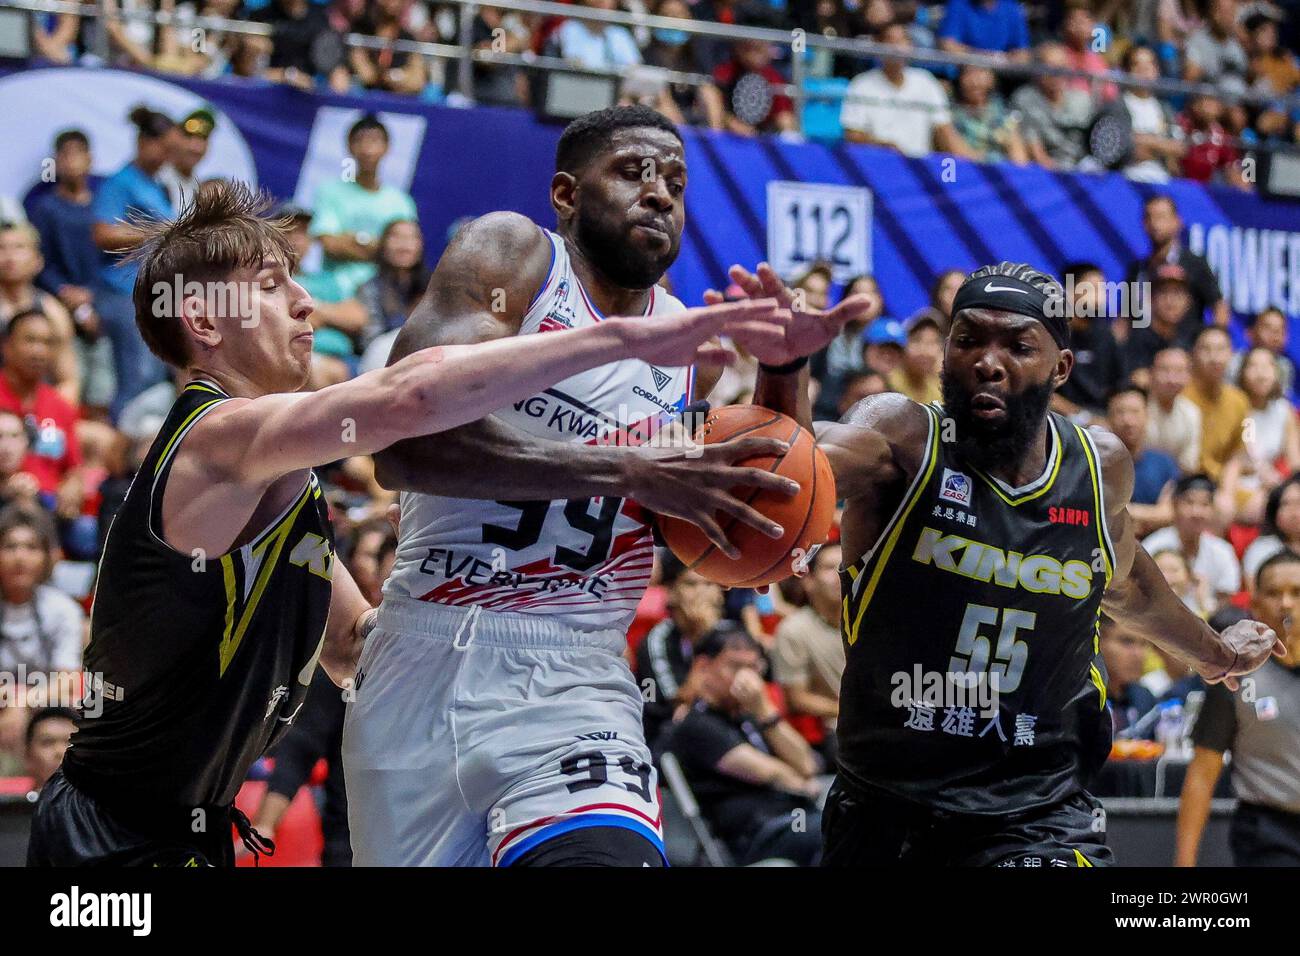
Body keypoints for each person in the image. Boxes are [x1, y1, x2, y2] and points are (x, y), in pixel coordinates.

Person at [26, 176, 792, 867]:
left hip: (189, 833)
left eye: (298, 280)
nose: (305, 302)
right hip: (107, 840)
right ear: (203, 318)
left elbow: (359, 647)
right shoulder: (213, 439)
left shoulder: (281, 480)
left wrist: (505, 649)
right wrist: (625, 339)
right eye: (270, 286)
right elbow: (406, 403)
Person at [344, 105, 876, 867]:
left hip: (577, 674)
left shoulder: (690, 347)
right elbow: (403, 444)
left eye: (676, 181)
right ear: (566, 194)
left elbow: (758, 529)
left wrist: (784, 375)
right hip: (421, 656)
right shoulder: (512, 257)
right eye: (633, 172)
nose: (659, 192)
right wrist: (622, 467)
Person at [742, 259, 1283, 866]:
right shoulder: (901, 439)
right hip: (888, 804)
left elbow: (1130, 586)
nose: (988, 361)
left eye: (1017, 345)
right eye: (968, 339)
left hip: (1037, 812)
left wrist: (1217, 653)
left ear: (1062, 368)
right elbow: (780, 483)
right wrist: (784, 366)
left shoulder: (1096, 467)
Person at [1177, 549, 1300, 866]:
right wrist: (1184, 862)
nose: (1286, 603)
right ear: (1255, 604)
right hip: (1268, 831)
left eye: (1297, 593)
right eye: (1274, 593)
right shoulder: (1234, 677)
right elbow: (1203, 774)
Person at [663, 626, 824, 865]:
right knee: (840, 829)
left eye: (753, 668)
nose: (748, 680)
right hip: (755, 838)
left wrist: (765, 711)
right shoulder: (694, 726)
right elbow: (774, 774)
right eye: (736, 667)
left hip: (794, 822)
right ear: (703, 667)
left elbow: (808, 764)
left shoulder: (752, 715)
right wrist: (801, 784)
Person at [92, 106, 175, 418]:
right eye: (163, 147)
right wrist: (160, 231)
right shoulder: (120, 183)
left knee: (154, 375)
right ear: (143, 143)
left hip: (150, 294)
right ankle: (121, 452)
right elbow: (103, 233)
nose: (167, 156)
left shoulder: (157, 186)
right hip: (121, 292)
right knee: (136, 375)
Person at [309, 115, 419, 301]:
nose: (367, 149)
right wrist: (381, 247)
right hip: (336, 292)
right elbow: (330, 244)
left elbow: (407, 254)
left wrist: (353, 239)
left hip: (386, 296)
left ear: (387, 148)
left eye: (374, 141)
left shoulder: (401, 201)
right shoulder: (329, 192)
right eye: (360, 141)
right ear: (349, 146)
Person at [634, 554, 724, 749]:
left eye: (709, 584)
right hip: (668, 736)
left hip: (721, 727)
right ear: (672, 592)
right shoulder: (656, 640)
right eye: (691, 584)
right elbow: (679, 700)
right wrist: (704, 636)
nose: (702, 593)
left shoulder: (729, 632)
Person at [842, 21, 964, 157]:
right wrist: (884, 146)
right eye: (890, 40)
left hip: (919, 168)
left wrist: (979, 164)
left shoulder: (926, 82)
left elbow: (945, 132)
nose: (896, 47)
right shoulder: (861, 84)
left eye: (901, 40)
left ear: (910, 45)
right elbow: (852, 136)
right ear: (877, 46)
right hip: (875, 165)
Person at [771, 541, 844, 761]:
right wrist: (851, 710)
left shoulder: (875, 622)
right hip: (837, 729)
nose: (840, 574)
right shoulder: (793, 629)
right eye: (830, 568)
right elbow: (796, 698)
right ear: (809, 581)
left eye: (845, 566)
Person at [1125, 195, 1229, 341]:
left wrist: (1213, 341)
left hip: (1184, 351)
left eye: (1161, 217)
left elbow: (1219, 307)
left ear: (1177, 222)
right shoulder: (1137, 269)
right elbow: (1125, 317)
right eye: (1149, 217)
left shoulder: (1194, 263)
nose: (1155, 224)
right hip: (1144, 351)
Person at [0, 223, 81, 407]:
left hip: (38, 407)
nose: (9, 256)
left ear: (38, 261)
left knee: (102, 436)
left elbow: (68, 380)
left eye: (19, 247)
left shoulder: (53, 312)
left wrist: (49, 419)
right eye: (1, 248)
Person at [1220, 346, 1300, 525]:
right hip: (1235, 482)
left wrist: (1285, 485)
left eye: (1268, 366)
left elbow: (1295, 463)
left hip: (1273, 484)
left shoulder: (1284, 410)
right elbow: (1241, 455)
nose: (1261, 373)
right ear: (1241, 373)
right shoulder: (1235, 406)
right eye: (1253, 366)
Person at [1142, 473, 1241, 610]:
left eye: (1205, 504)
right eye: (1189, 503)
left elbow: (1226, 606)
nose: (1197, 512)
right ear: (1175, 505)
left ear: (1213, 509)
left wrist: (1206, 604)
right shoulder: (1152, 547)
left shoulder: (1222, 551)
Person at [1051, 263, 1124, 421]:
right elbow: (1046, 396)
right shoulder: (1053, 336)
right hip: (1062, 421)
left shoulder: (1106, 336)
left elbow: (1118, 386)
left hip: (1104, 420)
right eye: (1092, 289)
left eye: (1102, 289)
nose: (1099, 296)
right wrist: (1083, 417)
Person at [1010, 41, 1095, 170]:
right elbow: (1035, 150)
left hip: (1083, 168)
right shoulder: (1025, 98)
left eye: (1061, 68)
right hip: (1046, 171)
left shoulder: (1082, 99)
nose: (1056, 74)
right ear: (1038, 70)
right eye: (1049, 68)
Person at [1106, 385, 1178, 535]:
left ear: (1147, 416)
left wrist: (1126, 512)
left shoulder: (1165, 463)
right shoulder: (1095, 463)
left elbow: (1168, 513)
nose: (1128, 421)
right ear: (1109, 418)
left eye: (1135, 412)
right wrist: (1149, 515)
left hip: (1155, 543)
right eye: (1120, 412)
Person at [1183, 325, 1250, 483]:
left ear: (1231, 354)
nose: (1214, 358)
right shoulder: (1180, 395)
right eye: (1206, 349)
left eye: (1221, 349)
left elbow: (1238, 453)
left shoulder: (1239, 400)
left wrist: (1227, 489)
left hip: (1221, 481)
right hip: (1185, 480)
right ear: (1193, 354)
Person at [950, 64, 1026, 164]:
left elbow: (1019, 158)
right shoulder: (950, 113)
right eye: (968, 73)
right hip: (963, 168)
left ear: (992, 79)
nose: (975, 82)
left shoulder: (1002, 111)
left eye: (980, 73)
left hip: (999, 172)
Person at [1145, 346, 1201, 474]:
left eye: (1179, 371)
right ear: (1151, 373)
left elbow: (1189, 465)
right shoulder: (1138, 409)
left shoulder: (1191, 413)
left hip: (1175, 483)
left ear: (1189, 376)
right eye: (1164, 370)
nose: (1171, 379)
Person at [1242, 476, 1300, 587]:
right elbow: (1256, 593)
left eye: (1299, 503)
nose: (1294, 512)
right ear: (1274, 513)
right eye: (1286, 504)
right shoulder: (1262, 549)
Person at [1100, 626, 1158, 735]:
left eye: (1144, 644)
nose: (1139, 654)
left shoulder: (1144, 698)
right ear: (1099, 641)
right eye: (1126, 641)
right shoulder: (1080, 699)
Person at [937, 0, 1030, 63]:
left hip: (1003, 75)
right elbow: (948, 45)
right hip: (967, 69)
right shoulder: (958, 4)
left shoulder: (1012, 8)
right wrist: (986, 59)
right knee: (976, 79)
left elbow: (1023, 54)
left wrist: (1002, 61)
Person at [159, 108, 215, 213]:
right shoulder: (157, 177)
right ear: (176, 138)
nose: (196, 147)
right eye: (189, 137)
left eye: (203, 139)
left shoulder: (198, 186)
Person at [886, 313, 942, 403]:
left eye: (932, 342)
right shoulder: (888, 385)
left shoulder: (937, 388)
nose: (925, 351)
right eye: (916, 340)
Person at [24, 706, 76, 796]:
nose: (60, 752)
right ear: (28, 755)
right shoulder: (10, 808)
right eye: (47, 742)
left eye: (70, 743)